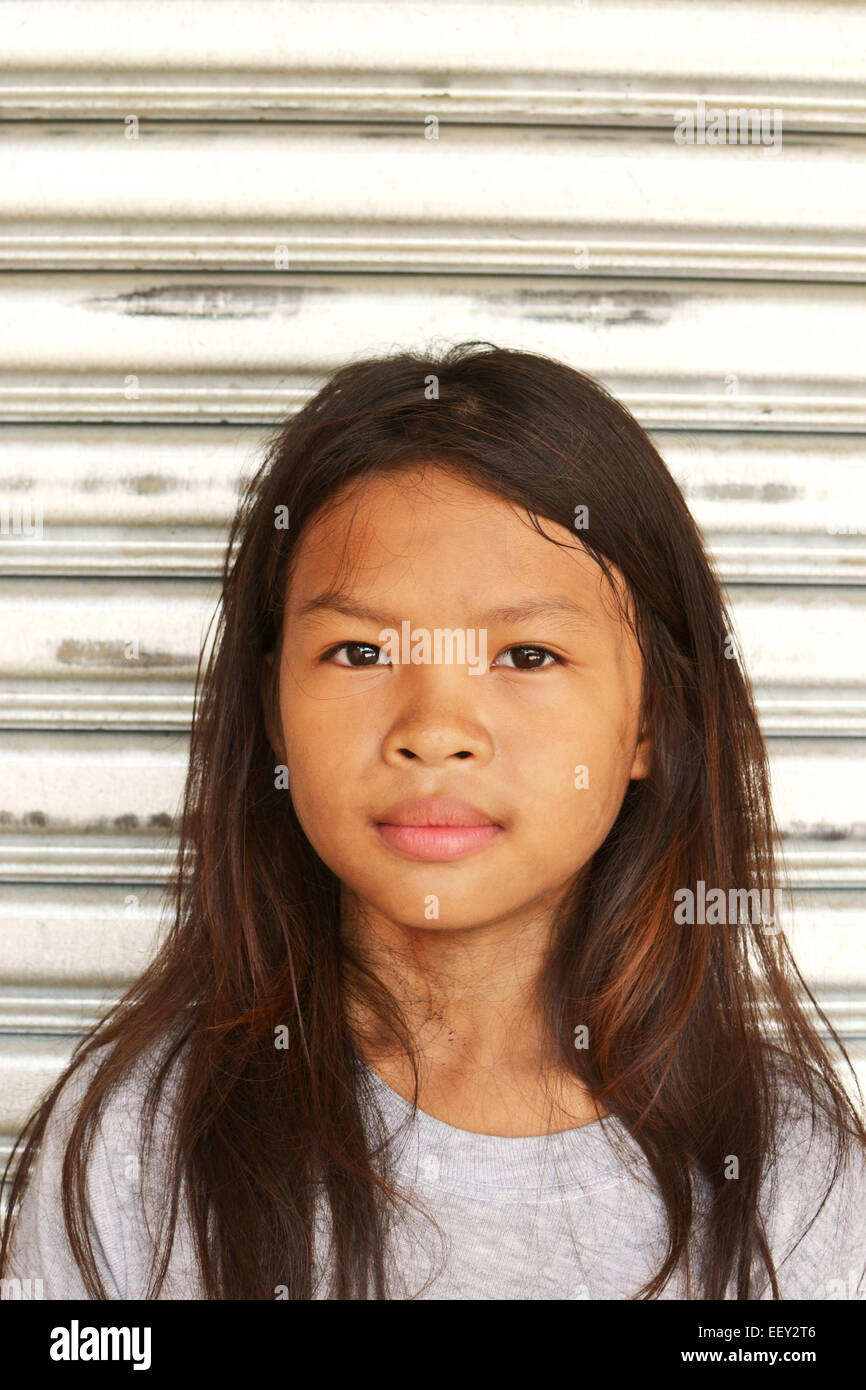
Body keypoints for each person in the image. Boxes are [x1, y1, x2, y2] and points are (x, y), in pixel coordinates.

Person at [2, 343, 864, 1300]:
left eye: (528, 654)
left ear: (650, 721)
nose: (435, 731)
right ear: (273, 710)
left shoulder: (792, 1175)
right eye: (361, 651)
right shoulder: (142, 1140)